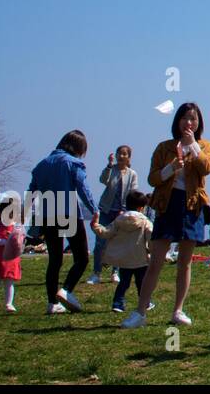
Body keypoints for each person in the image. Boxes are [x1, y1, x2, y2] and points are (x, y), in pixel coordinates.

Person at [124, 102, 210, 328]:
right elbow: (152, 179)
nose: (189, 123)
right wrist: (170, 169)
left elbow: (207, 167)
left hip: (192, 205)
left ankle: (178, 310)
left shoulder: (204, 145)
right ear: (177, 121)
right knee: (156, 261)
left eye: (193, 119)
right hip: (167, 204)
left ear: (199, 123)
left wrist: (193, 146)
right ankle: (140, 311)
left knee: (185, 262)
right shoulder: (164, 147)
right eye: (185, 118)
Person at [26, 130, 99, 315]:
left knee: (55, 260)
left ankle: (52, 303)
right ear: (78, 148)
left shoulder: (41, 165)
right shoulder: (73, 163)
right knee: (82, 258)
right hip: (69, 214)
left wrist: (25, 212)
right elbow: (83, 188)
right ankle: (66, 290)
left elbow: (32, 191)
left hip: (47, 216)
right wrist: (94, 210)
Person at [90, 189, 153, 315]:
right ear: (141, 208)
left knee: (124, 283)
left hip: (124, 259)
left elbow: (106, 233)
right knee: (142, 283)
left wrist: (95, 226)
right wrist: (152, 251)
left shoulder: (119, 220)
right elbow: (151, 237)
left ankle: (118, 303)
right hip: (140, 259)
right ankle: (146, 302)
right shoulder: (145, 221)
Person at [90, 147, 138, 285]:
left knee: (118, 242)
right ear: (116, 155)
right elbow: (103, 180)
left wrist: (127, 209)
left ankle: (115, 272)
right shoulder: (111, 170)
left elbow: (133, 191)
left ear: (129, 157)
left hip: (121, 212)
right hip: (106, 210)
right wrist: (109, 165)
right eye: (119, 153)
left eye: (125, 154)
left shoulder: (132, 174)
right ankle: (96, 273)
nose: (121, 156)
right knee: (100, 242)